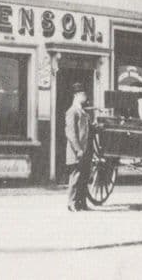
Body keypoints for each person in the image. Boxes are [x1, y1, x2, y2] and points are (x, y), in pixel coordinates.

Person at [64, 81, 91, 212]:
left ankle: (82, 203)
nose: (85, 97)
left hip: (84, 150)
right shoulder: (72, 111)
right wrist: (78, 149)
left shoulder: (83, 112)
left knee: (84, 176)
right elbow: (70, 133)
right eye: (83, 94)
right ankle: (71, 203)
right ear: (76, 95)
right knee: (75, 177)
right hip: (76, 151)